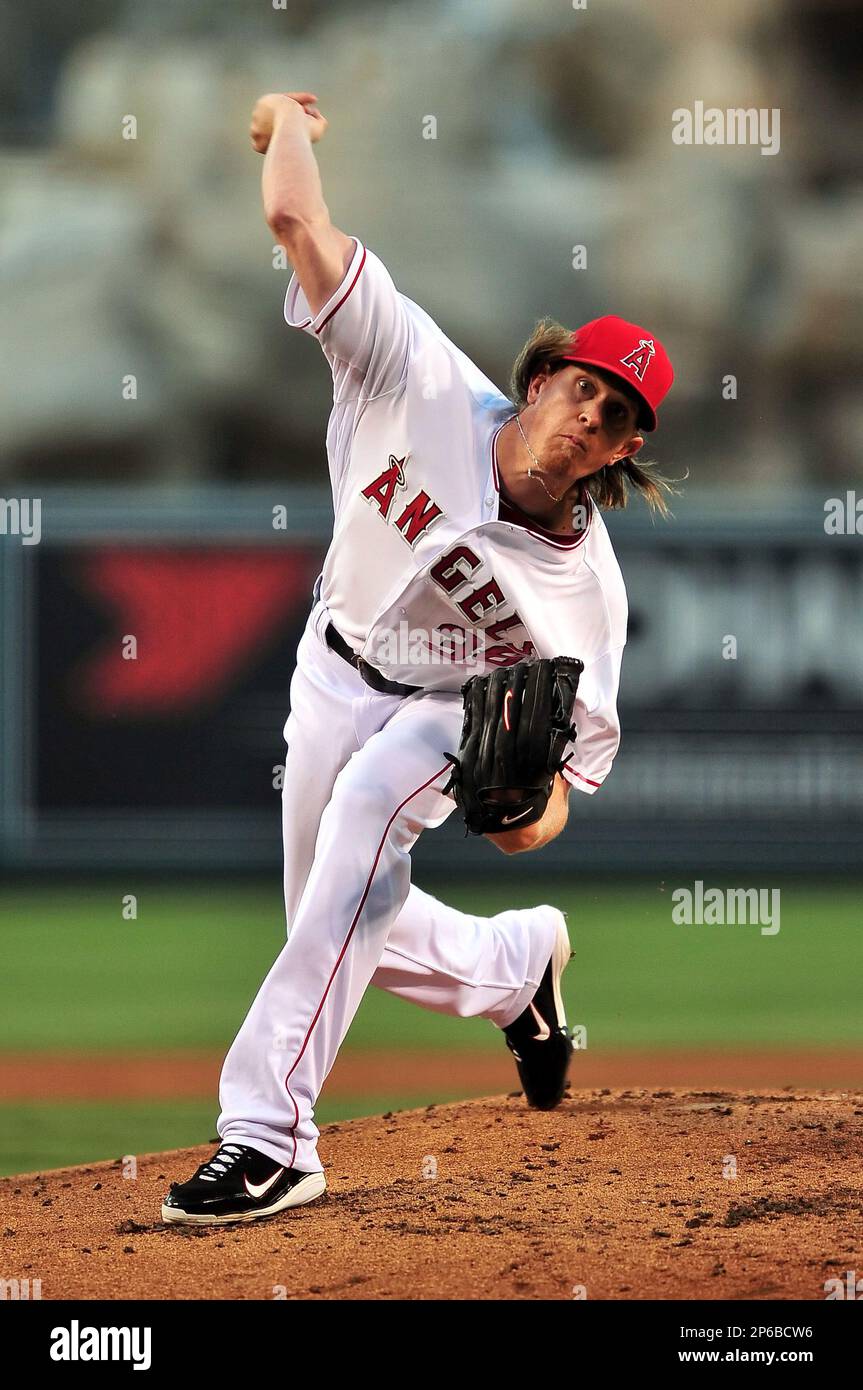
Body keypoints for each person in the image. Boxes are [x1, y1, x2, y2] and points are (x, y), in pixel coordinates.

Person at [161, 91, 675, 1225]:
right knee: (335, 908)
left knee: (366, 817)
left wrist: (518, 813)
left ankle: (269, 1134)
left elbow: (556, 798)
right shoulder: (414, 369)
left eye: (615, 412)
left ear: (626, 447)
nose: (588, 414)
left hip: (443, 710)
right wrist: (279, 120)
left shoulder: (585, 599)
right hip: (330, 664)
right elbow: (297, 222)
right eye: (583, 385)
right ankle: (513, 965)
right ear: (543, 381)